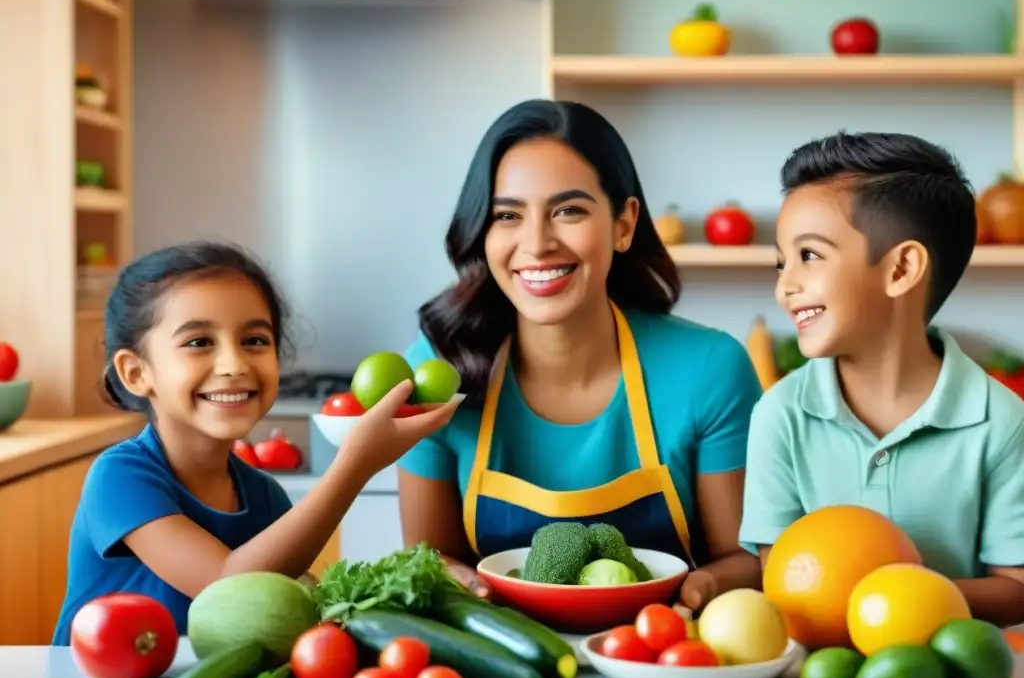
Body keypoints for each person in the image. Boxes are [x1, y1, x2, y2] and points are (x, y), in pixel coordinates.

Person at [397, 99, 764, 612]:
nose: (537, 243)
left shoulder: (711, 370)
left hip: (662, 657)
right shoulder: (441, 370)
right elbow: (428, 555)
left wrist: (699, 590)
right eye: (507, 215)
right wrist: (452, 578)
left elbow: (742, 559)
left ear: (623, 223)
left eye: (568, 211)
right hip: (504, 669)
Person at [52, 241, 461, 645]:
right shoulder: (121, 477)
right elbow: (228, 587)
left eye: (254, 341)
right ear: (136, 372)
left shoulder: (264, 496)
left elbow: (288, 599)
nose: (234, 364)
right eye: (198, 342)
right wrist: (355, 464)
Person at [739, 131, 1024, 628]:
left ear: (901, 269)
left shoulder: (1001, 421)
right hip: (819, 677)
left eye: (809, 256)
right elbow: (780, 577)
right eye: (781, 263)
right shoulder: (780, 415)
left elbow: (1016, 589)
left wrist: (892, 594)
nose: (785, 287)